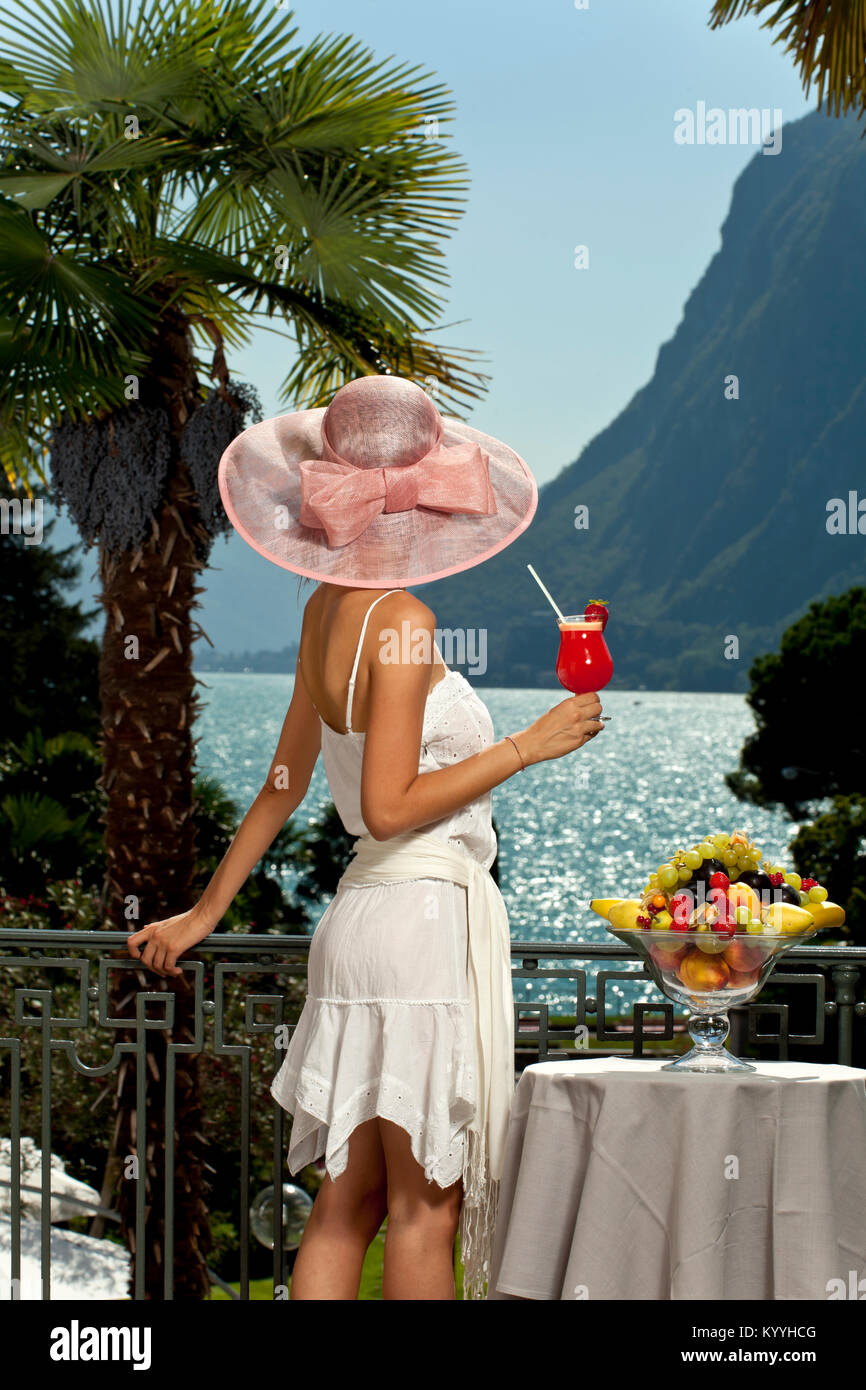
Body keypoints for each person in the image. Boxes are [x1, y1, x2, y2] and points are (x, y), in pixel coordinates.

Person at [127, 375, 605, 1300]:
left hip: (355, 930)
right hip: (421, 928)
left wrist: (201, 914)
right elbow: (388, 807)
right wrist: (525, 746)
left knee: (347, 1205)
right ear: (427, 502)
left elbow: (280, 785)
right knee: (428, 1211)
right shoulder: (405, 623)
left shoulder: (321, 616)